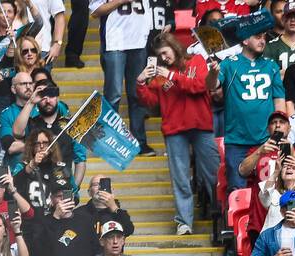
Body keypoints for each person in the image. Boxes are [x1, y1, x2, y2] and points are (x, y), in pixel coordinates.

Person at [137, 33, 218, 235]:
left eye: (165, 52)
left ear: (173, 47)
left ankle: (222, 216)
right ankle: (184, 222)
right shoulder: (159, 74)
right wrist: (140, 83)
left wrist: (172, 76)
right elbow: (151, 103)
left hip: (200, 124)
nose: (163, 58)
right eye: (159, 55)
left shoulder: (196, 61)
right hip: (174, 129)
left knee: (212, 174)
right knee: (180, 177)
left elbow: (200, 86)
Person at [210, 33, 287, 192]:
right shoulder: (229, 64)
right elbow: (212, 85)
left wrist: (282, 131)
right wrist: (213, 72)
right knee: (238, 192)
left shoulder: (271, 65)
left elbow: (279, 99)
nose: (262, 40)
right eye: (257, 37)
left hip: (267, 139)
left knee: (270, 191)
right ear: (245, 40)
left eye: (264, 37)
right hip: (237, 141)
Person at [89, 0, 154, 155]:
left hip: (139, 40)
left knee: (137, 94)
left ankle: (139, 142)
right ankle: (109, 143)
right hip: (115, 41)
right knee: (113, 95)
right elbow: (95, 11)